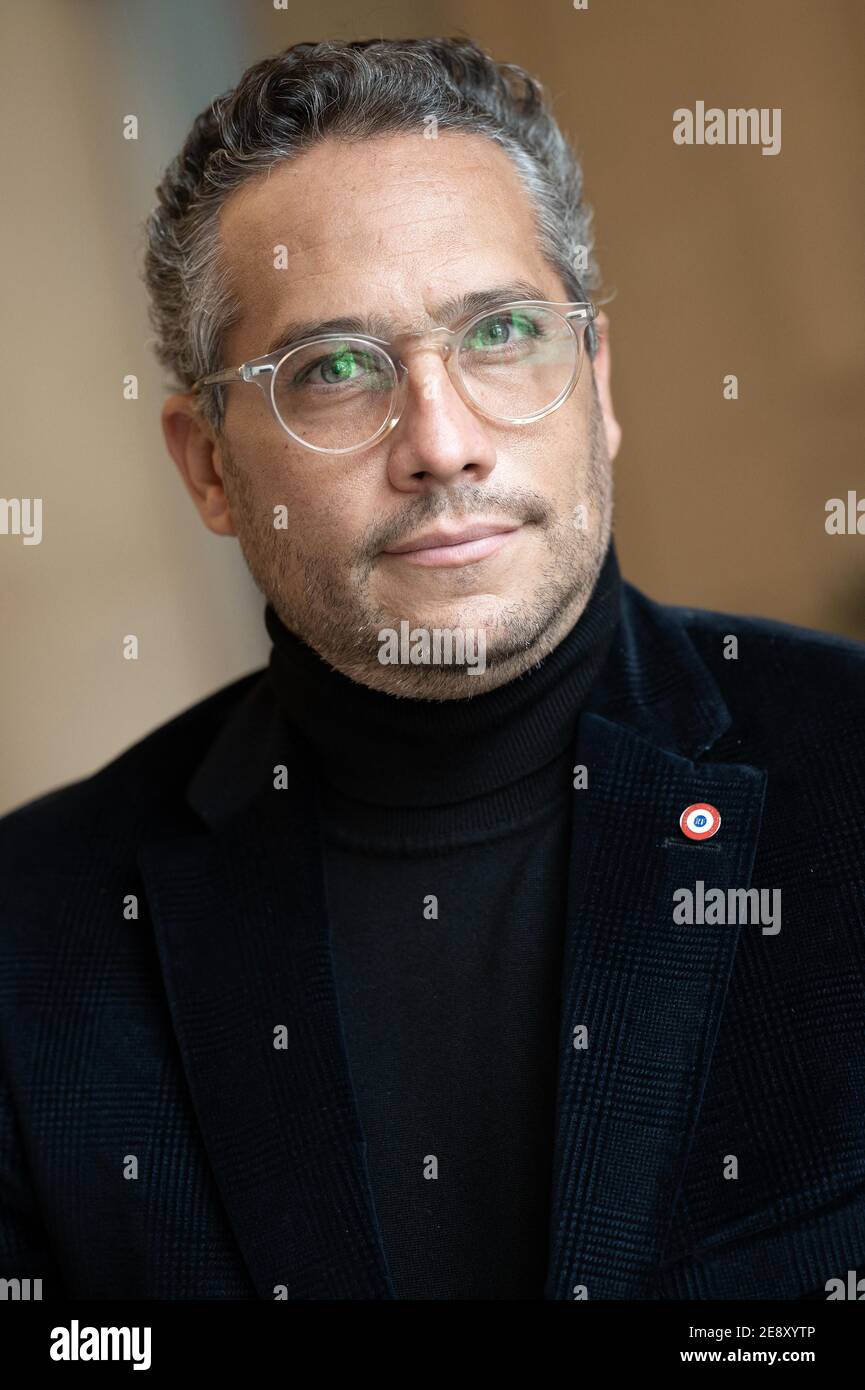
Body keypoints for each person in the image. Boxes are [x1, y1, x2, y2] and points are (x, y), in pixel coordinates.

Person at [1, 37, 863, 1302]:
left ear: (597, 380)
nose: (442, 443)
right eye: (335, 369)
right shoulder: (33, 947)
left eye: (502, 332)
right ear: (206, 467)